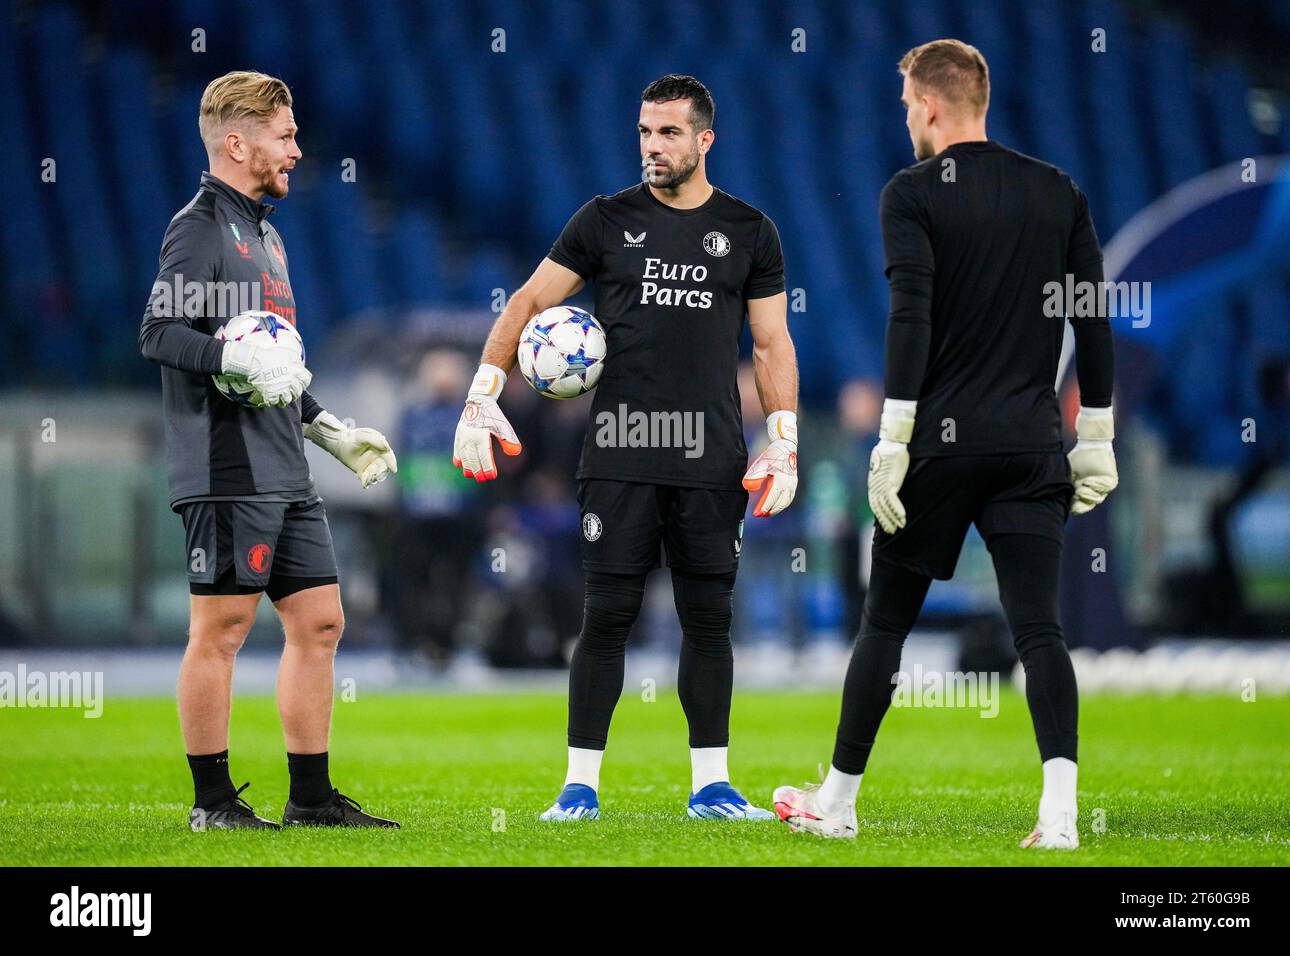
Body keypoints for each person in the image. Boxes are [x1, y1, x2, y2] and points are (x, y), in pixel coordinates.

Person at [773, 40, 1117, 849]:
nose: (906, 122)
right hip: (1033, 445)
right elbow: (1093, 316)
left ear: (929, 104)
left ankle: (839, 801)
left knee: (885, 624)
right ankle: (1060, 815)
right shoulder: (1056, 190)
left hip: (939, 445)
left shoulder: (912, 194)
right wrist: (1093, 431)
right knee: (1040, 631)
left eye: (905, 107)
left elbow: (912, 317)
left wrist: (893, 435)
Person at [453, 75, 799, 821]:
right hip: (619, 451)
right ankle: (580, 785)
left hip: (711, 457)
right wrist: (482, 393)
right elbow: (528, 304)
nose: (652, 146)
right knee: (606, 615)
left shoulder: (749, 231)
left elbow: (771, 343)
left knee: (709, 619)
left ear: (705, 140)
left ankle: (711, 783)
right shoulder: (605, 221)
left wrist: (785, 440)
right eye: (644, 132)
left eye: (668, 133)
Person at [139, 71, 399, 830]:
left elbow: (276, 363)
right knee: (220, 631)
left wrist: (329, 428)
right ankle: (213, 803)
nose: (296, 149)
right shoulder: (198, 227)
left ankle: (311, 798)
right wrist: (228, 360)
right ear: (237, 141)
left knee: (320, 621)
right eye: (284, 136)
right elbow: (159, 335)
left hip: (285, 464)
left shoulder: (267, 234)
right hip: (226, 465)